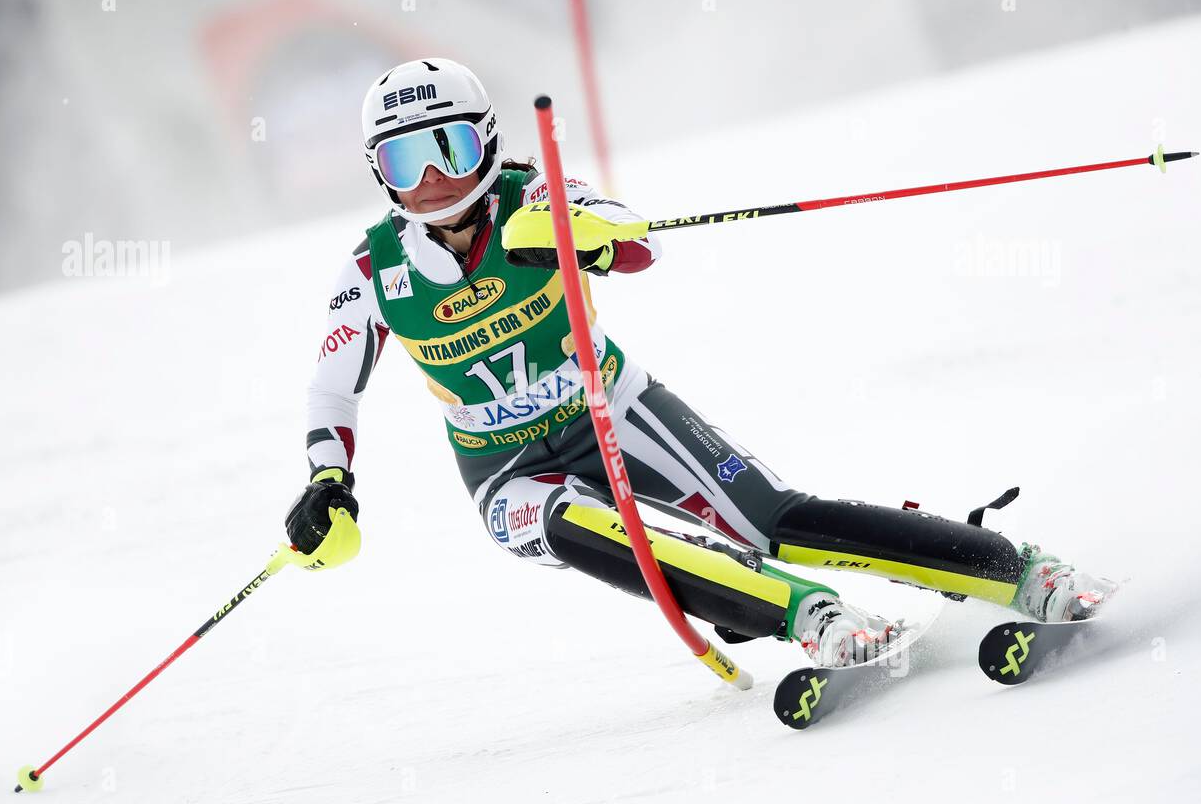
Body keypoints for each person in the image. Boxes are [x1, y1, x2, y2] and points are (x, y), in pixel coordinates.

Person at [284, 58, 1116, 668]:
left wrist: (588, 243)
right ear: (377, 173)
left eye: (450, 148)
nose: (431, 179)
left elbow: (632, 236)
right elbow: (332, 385)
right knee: (589, 530)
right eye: (404, 160)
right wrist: (329, 483)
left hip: (611, 406)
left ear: (489, 143)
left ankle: (1016, 571)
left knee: (768, 520)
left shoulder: (532, 198)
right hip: (504, 474)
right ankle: (811, 619)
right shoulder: (372, 269)